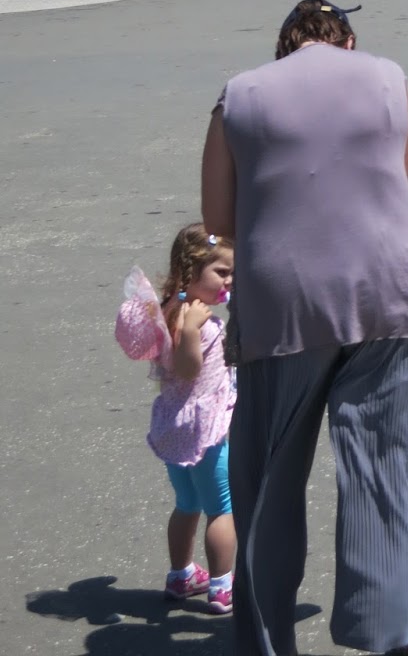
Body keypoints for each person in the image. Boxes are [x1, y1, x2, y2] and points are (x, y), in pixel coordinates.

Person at [202, 0, 408, 656]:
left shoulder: (239, 96)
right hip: (384, 291)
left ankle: (267, 641)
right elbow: (400, 175)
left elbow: (217, 218)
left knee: (268, 480)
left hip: (283, 303)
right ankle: (400, 633)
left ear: (284, 47)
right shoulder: (390, 78)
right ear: (350, 42)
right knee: (389, 466)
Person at [114, 223, 237, 615]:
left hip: (173, 426)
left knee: (187, 502)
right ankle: (221, 585)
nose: (229, 281)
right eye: (221, 272)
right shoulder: (193, 322)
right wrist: (189, 332)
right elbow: (187, 368)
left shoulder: (165, 309)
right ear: (190, 271)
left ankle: (182, 574)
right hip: (204, 430)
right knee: (222, 506)